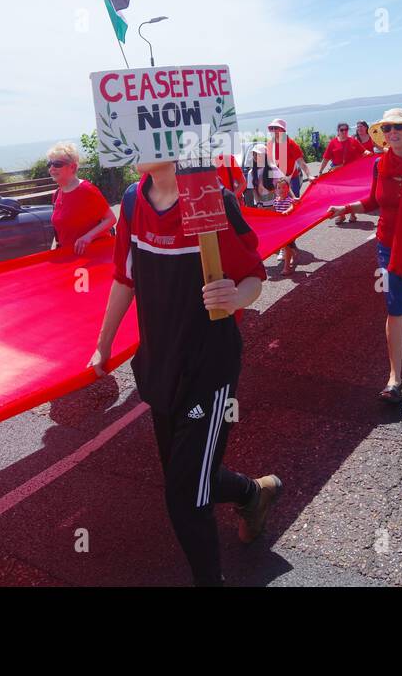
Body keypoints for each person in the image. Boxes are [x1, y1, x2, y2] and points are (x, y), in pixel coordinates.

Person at [87, 159, 280, 586]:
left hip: (208, 370)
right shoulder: (133, 200)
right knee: (190, 476)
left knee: (184, 497)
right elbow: (125, 278)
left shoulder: (212, 198)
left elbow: (253, 277)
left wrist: (236, 297)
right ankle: (255, 492)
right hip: (159, 365)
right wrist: (103, 345)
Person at [326, 108, 402, 402]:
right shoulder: (380, 165)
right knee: (394, 306)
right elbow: (372, 200)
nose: (392, 132)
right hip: (388, 246)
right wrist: (344, 209)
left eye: (398, 127)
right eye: (388, 128)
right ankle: (394, 379)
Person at [47, 142, 116, 254]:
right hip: (69, 256)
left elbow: (111, 219)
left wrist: (88, 237)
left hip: (93, 255)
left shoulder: (86, 190)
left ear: (73, 167)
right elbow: (60, 231)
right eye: (49, 164)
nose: (52, 168)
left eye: (57, 164)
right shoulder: (57, 194)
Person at [318, 122, 366, 223]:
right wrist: (321, 171)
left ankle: (353, 214)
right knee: (340, 195)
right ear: (338, 131)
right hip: (338, 174)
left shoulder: (353, 141)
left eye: (346, 130)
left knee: (352, 194)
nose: (344, 132)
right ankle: (342, 215)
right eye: (342, 130)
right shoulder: (333, 143)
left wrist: (369, 154)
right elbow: (326, 159)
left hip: (353, 174)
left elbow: (363, 152)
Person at [266, 118, 312, 197]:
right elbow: (269, 165)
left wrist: (309, 175)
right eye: (271, 128)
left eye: (276, 128)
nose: (273, 130)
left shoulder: (290, 144)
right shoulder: (270, 144)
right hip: (277, 181)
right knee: (280, 206)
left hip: (291, 180)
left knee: (294, 204)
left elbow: (301, 162)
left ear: (283, 130)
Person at [270, 178, 299, 274]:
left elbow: (292, 206)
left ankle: (286, 268)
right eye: (279, 188)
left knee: (286, 246)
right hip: (280, 228)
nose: (281, 189)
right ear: (276, 190)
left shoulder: (289, 200)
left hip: (289, 227)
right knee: (285, 246)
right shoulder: (275, 201)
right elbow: (273, 212)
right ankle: (293, 252)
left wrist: (287, 211)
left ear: (288, 188)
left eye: (284, 187)